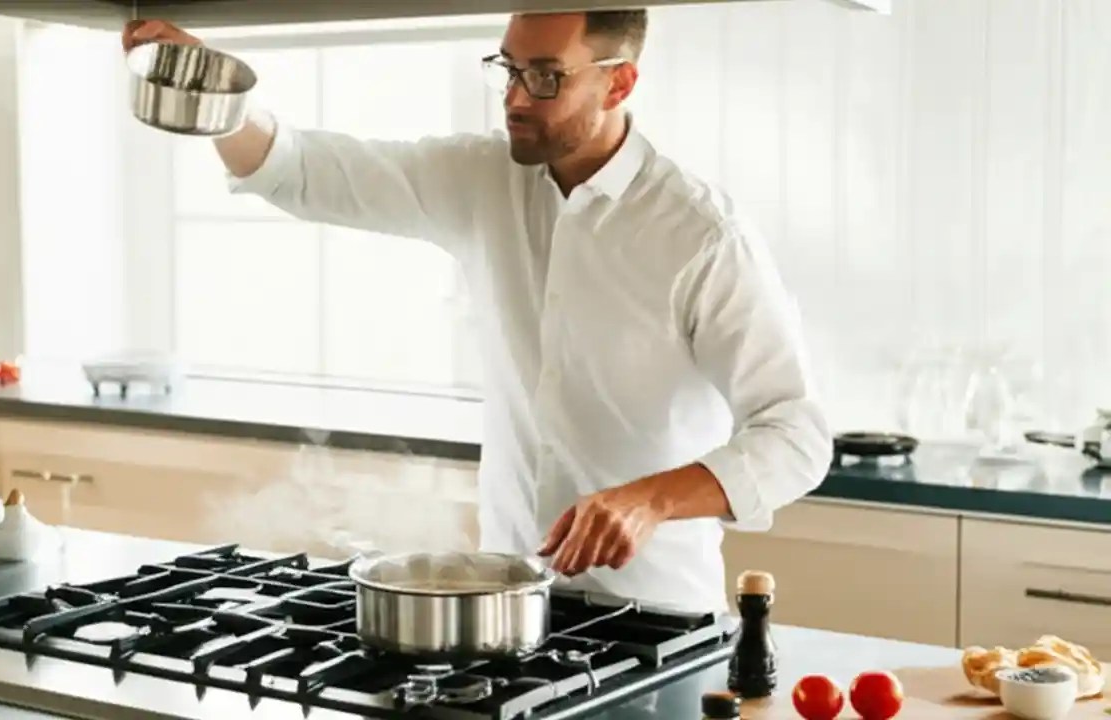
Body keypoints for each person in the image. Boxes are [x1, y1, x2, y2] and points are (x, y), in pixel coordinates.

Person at [123, 10, 832, 613]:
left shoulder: (700, 234)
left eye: (546, 76)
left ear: (619, 81)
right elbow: (304, 170)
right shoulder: (484, 180)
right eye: (509, 69)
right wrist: (215, 94)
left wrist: (650, 500)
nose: (517, 98)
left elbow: (796, 435)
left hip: (656, 616)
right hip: (510, 605)